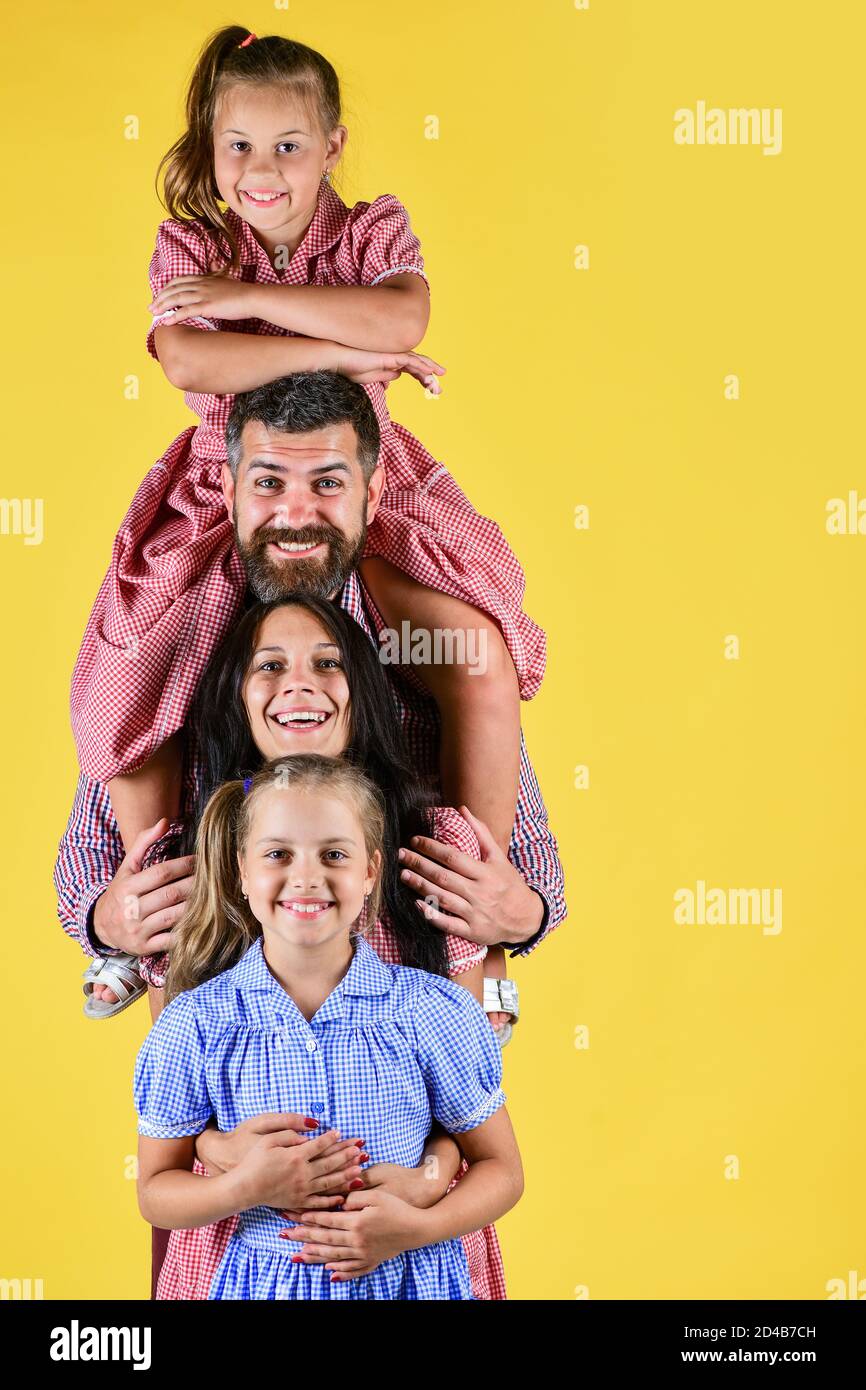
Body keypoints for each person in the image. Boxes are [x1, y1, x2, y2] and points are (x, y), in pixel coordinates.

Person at [70, 26, 546, 1004]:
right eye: (238, 145)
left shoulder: (365, 233)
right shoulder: (192, 244)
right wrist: (342, 359)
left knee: (480, 650)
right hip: (211, 494)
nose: (261, 169)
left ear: (331, 143)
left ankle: (474, 943)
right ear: (209, 143)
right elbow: (193, 363)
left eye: (288, 145)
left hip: (380, 497)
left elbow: (399, 322)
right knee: (131, 665)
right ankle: (141, 935)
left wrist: (520, 913)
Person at [57, 594, 563, 1298]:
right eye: (270, 666)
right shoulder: (191, 868)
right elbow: (165, 1166)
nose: (299, 683)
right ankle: (119, 969)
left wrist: (520, 917)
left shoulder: (427, 849)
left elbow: (481, 1141)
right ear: (238, 867)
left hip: (409, 1251)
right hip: (245, 1259)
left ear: (370, 868)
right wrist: (103, 921)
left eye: (328, 663)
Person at [60, 372, 565, 1033]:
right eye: (269, 483)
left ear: (372, 493)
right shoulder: (179, 648)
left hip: (403, 1050)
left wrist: (514, 918)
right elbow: (90, 849)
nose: (296, 515)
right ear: (228, 492)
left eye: (327, 484)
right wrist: (110, 918)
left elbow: (529, 862)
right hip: (235, 1062)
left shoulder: (423, 651)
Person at [135, 755, 524, 1299]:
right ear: (243, 871)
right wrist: (245, 1187)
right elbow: (155, 1191)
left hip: (412, 1280)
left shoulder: (432, 1012)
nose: (307, 877)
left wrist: (419, 1227)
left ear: (369, 871)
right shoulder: (196, 1024)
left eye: (334, 854)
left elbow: (501, 1168)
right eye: (278, 854)